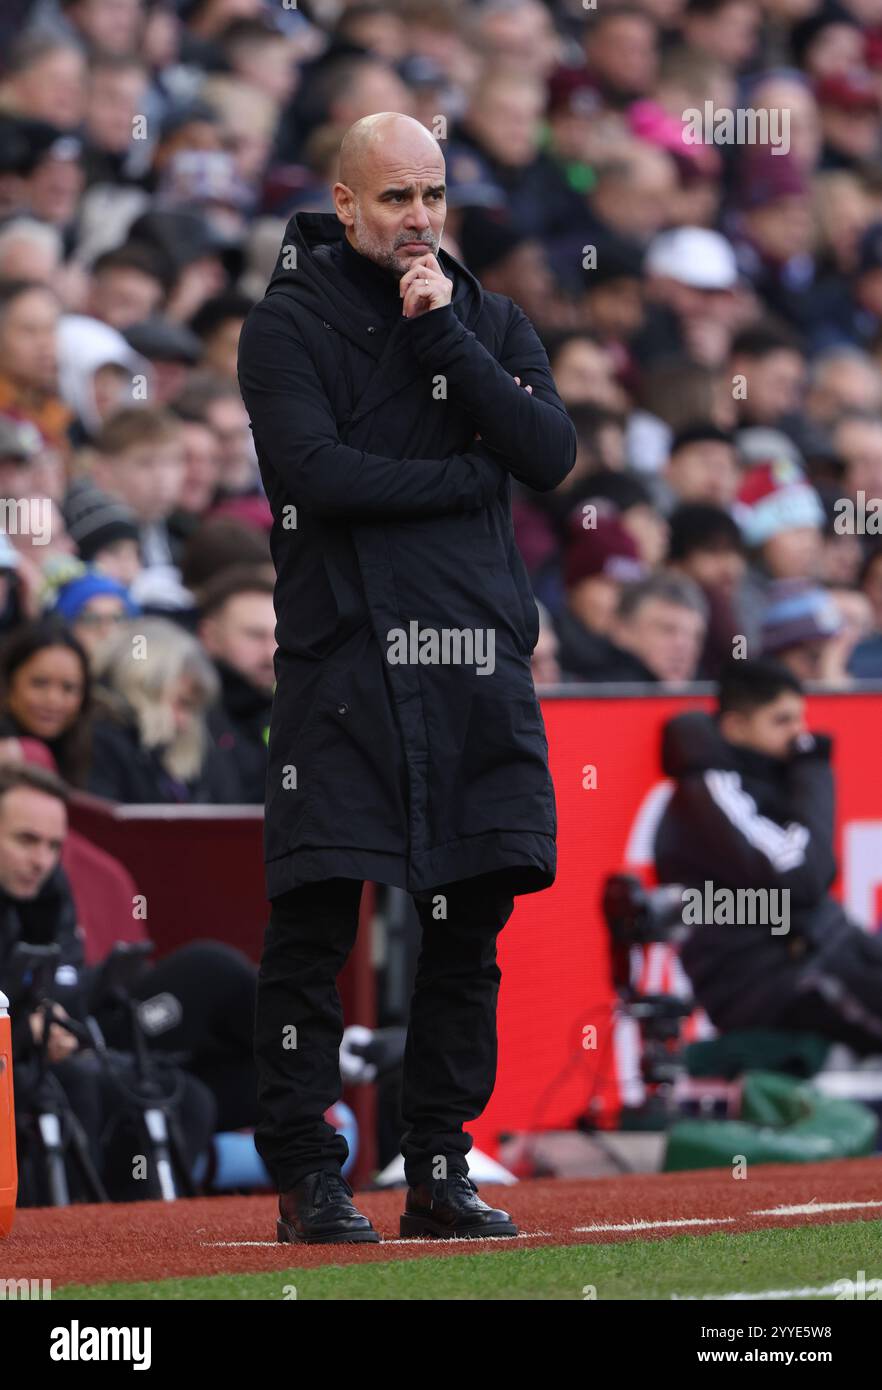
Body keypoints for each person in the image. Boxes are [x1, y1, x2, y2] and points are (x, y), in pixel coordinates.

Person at [237, 111, 575, 1244]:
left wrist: (449, 347)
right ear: (343, 204)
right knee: (315, 923)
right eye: (394, 198)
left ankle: (438, 1161)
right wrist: (464, 482)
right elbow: (315, 474)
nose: (419, 217)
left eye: (431, 195)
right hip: (343, 666)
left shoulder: (489, 319)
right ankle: (307, 1173)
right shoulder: (286, 325)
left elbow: (547, 455)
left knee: (467, 925)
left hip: (476, 666)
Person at [654, 657, 882, 1054]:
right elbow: (804, 878)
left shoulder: (766, 776)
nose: (800, 735)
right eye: (782, 721)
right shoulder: (712, 789)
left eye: (801, 719)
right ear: (736, 727)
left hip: (819, 951)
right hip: (764, 982)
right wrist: (814, 774)